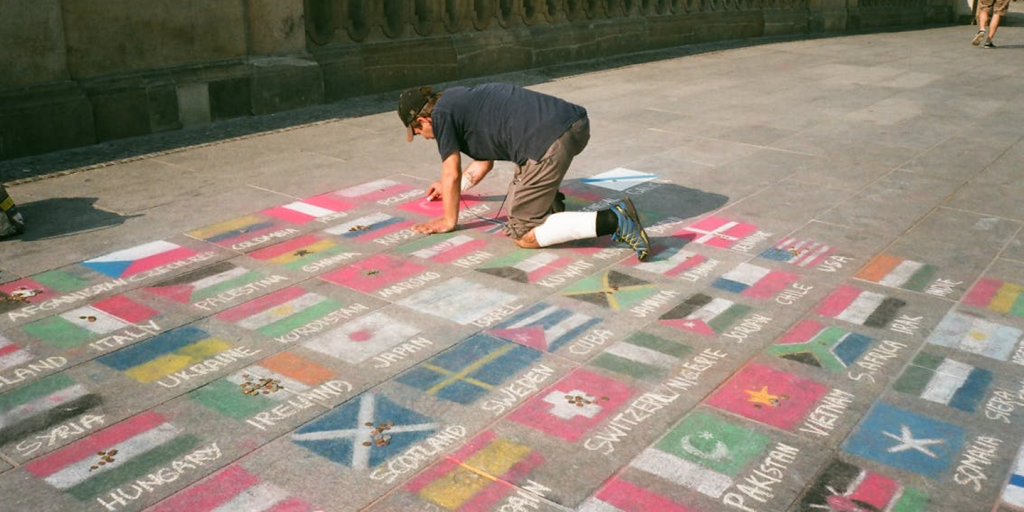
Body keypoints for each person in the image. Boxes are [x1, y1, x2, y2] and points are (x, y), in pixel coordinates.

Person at [398, 83, 650, 262]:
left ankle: (616, 219)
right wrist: (452, 189)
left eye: (417, 132)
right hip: (573, 123)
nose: (422, 137)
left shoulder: (441, 117)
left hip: (549, 140)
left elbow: (451, 172)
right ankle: (549, 203)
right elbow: (483, 164)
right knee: (524, 191)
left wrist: (447, 221)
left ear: (422, 120)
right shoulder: (455, 101)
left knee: (522, 232)